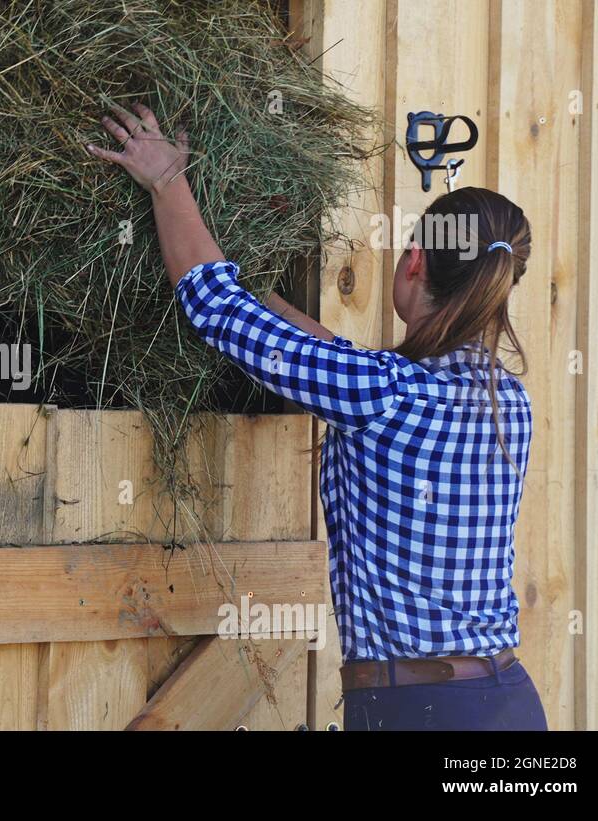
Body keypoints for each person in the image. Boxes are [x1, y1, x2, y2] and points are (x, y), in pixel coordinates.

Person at [88, 102, 547, 730]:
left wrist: (169, 180)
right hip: (508, 706)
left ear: (414, 261)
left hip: (417, 712)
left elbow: (212, 307)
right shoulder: (507, 402)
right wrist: (267, 292)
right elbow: (344, 363)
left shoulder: (384, 394)